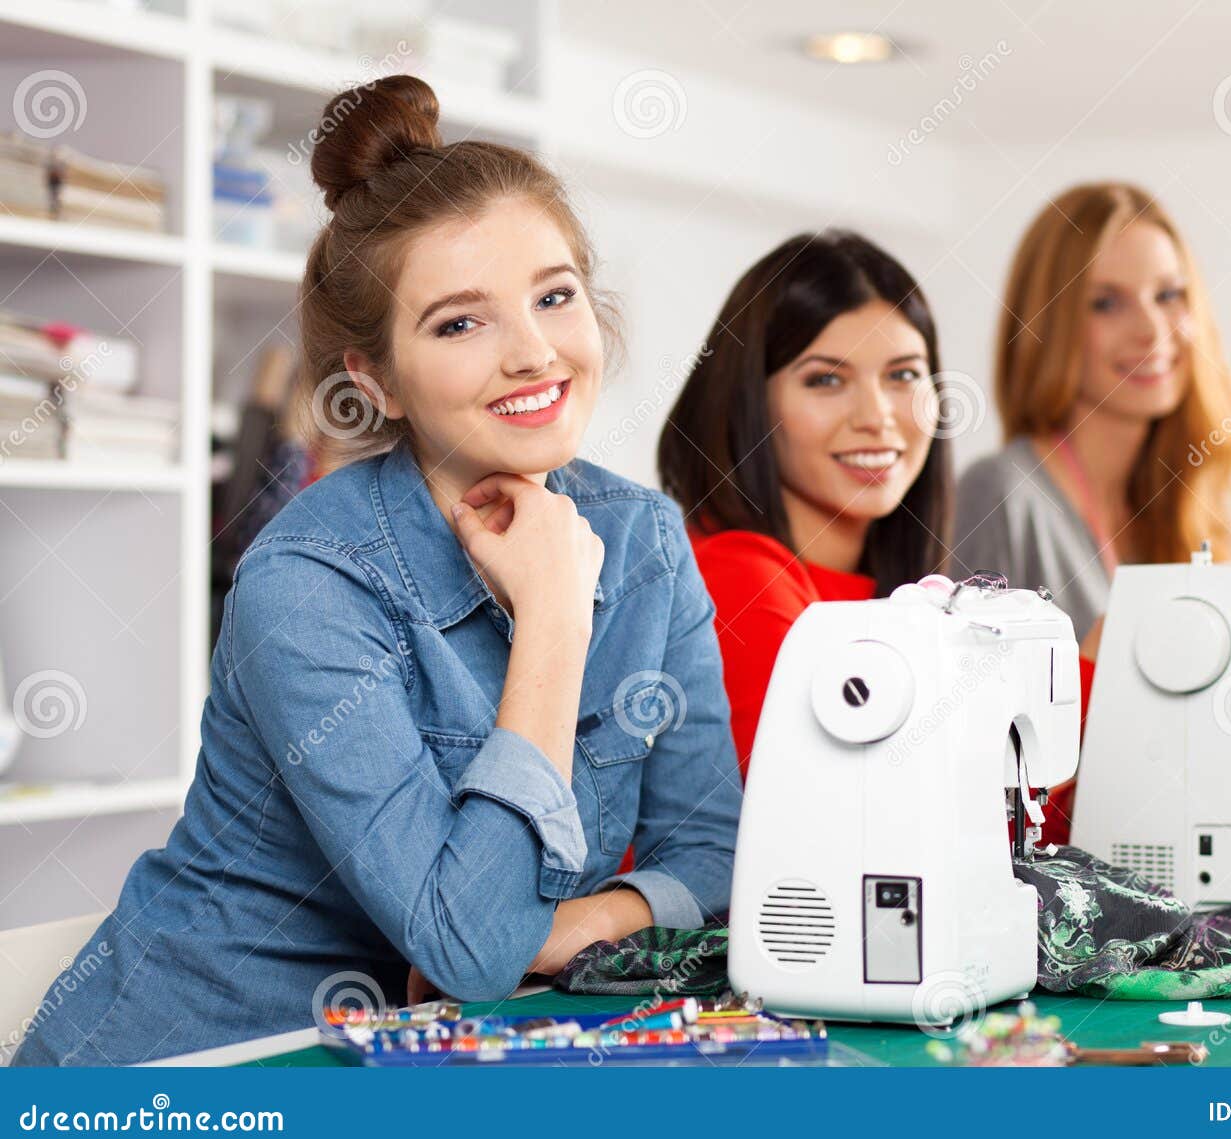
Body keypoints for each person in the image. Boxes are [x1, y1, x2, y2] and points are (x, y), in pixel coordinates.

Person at [12, 75, 740, 1066]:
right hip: (194, 1067)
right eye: (459, 322)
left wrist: (575, 924)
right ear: (377, 381)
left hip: (421, 1052)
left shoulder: (645, 538)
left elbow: (716, 851)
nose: (533, 352)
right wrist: (557, 618)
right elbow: (472, 945)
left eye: (554, 295)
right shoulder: (306, 584)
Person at [953, 182, 1231, 843]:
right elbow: (970, 769)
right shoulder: (1000, 494)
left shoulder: (1178, 501)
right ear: (1048, 325)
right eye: (1106, 303)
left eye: (1170, 295)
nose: (1152, 328)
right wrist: (1091, 667)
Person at [657, 231, 953, 779]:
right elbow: (856, 812)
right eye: (826, 380)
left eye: (904, 374)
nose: (877, 416)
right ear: (750, 403)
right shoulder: (738, 579)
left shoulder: (892, 598)